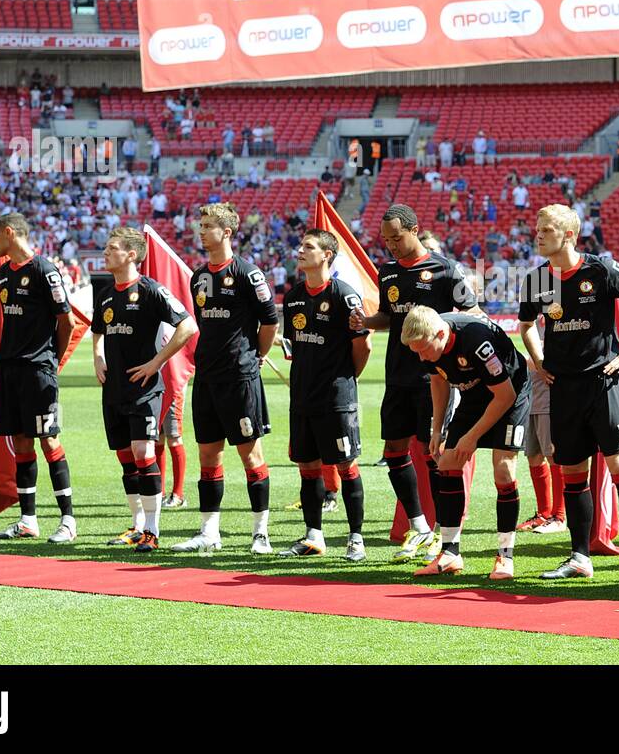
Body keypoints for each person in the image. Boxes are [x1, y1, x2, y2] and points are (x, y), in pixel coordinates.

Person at [519, 204, 619, 584]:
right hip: (562, 388)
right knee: (572, 474)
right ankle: (579, 557)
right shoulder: (536, 279)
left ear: (569, 235)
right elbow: (525, 324)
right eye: (538, 228)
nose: (538, 234)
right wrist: (538, 359)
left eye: (546, 229)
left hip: (602, 385)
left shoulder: (600, 269)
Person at [349, 204, 478, 562]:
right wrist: (365, 321)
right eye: (386, 238)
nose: (390, 244)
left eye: (396, 237)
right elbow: (390, 318)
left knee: (433, 453)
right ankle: (420, 527)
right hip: (397, 375)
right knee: (393, 451)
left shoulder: (445, 269)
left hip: (433, 376)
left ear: (414, 229)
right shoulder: (388, 272)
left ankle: (444, 533)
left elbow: (471, 313)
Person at [171, 203, 280, 554]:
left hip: (239, 378)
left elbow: (270, 323)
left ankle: (260, 533)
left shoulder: (249, 274)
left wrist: (257, 357)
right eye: (200, 225)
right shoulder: (199, 276)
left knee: (251, 456)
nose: (200, 231)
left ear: (226, 232)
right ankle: (209, 532)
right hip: (207, 378)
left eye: (207, 226)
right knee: (208, 457)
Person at [403, 307, 531, 579]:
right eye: (417, 352)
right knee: (447, 462)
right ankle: (449, 554)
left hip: (510, 395)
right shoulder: (426, 343)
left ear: (440, 334)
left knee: (504, 469)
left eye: (424, 349)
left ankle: (505, 556)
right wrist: (437, 429)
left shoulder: (476, 341)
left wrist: (471, 437)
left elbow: (505, 396)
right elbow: (437, 381)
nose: (421, 356)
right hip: (472, 395)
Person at [93, 228, 197, 553]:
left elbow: (188, 326)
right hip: (114, 390)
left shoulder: (151, 290)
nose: (106, 253)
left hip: (145, 388)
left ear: (132, 255)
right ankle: (136, 526)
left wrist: (156, 363)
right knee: (126, 457)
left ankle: (152, 530)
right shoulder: (107, 294)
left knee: (144, 452)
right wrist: (98, 357)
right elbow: (97, 331)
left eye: (112, 248)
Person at [279, 230, 372, 561]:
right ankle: (314, 536)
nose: (300, 251)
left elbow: (363, 346)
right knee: (307, 467)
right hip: (302, 396)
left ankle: (356, 538)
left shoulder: (344, 296)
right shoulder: (293, 298)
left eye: (308, 247)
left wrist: (345, 379)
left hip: (336, 398)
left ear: (327, 255)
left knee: (347, 466)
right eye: (300, 245)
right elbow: (297, 347)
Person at [0, 213, 79, 543]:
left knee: (48, 439)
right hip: (9, 370)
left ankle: (68, 520)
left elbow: (66, 322)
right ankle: (28, 520)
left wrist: (50, 361)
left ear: (10, 233)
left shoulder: (44, 270)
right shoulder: (3, 271)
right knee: (22, 443)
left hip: (38, 371)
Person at [518, 318, 566, 534]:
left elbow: (552, 358)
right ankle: (544, 513)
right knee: (534, 455)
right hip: (533, 397)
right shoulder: (535, 320)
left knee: (554, 456)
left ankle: (560, 516)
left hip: (551, 398)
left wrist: (521, 359)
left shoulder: (562, 317)